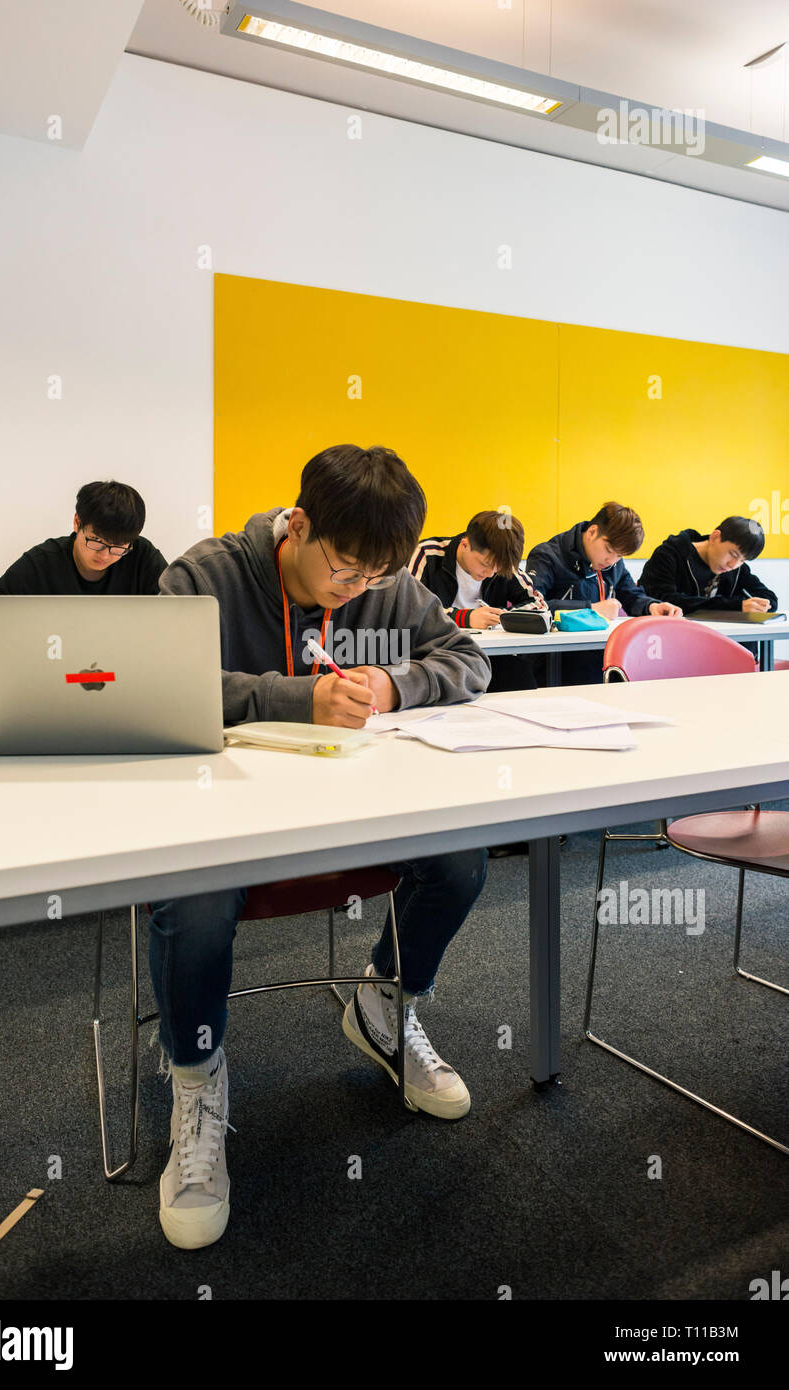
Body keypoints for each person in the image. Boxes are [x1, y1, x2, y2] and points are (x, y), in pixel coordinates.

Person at [149, 444, 491, 1250]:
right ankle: (196, 1079)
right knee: (193, 904)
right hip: (219, 819)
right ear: (297, 525)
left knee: (459, 858)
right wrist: (292, 699)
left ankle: (382, 1001)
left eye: (377, 576)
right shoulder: (204, 577)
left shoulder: (389, 584)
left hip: (350, 813)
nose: (358, 589)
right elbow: (153, 683)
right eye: (343, 570)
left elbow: (468, 659)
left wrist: (395, 684)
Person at [525, 501, 682, 683]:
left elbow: (631, 594)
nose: (611, 561)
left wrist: (652, 606)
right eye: (609, 550)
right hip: (554, 662)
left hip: (600, 657)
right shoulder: (547, 556)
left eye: (620, 556)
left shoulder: (612, 563)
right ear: (592, 532)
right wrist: (591, 609)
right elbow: (533, 607)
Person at [409, 509, 546, 692]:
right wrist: (465, 618)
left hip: (489, 655)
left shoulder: (499, 563)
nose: (490, 573)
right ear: (465, 544)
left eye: (498, 568)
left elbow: (539, 604)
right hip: (436, 655)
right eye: (484, 564)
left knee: (521, 678)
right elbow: (411, 610)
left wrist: (505, 617)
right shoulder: (428, 554)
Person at [0, 480, 167, 594]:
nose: (104, 555)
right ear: (77, 522)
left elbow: (175, 617)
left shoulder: (142, 557)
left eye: (118, 548)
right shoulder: (41, 563)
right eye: (96, 542)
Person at [639, 517, 778, 614]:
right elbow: (666, 601)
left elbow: (769, 599)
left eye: (743, 560)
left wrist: (758, 606)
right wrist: (736, 606)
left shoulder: (736, 568)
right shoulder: (670, 555)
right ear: (715, 537)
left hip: (716, 642)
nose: (733, 565)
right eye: (733, 554)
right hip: (668, 640)